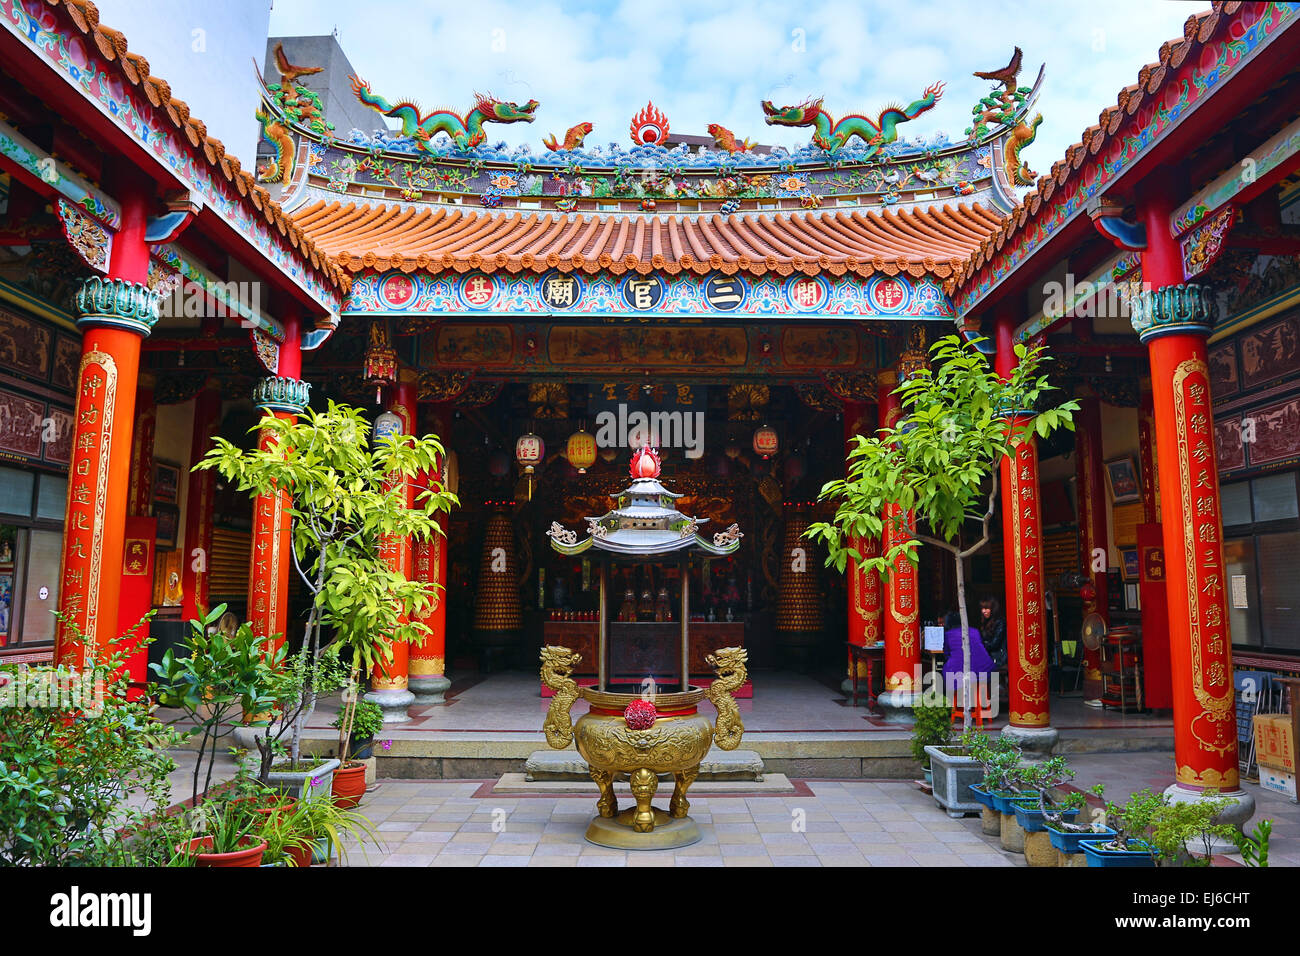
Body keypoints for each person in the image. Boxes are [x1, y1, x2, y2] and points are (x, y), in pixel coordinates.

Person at [979, 597, 1008, 671]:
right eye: (982, 608)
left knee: (994, 681)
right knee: (984, 680)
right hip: (988, 658)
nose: (984, 611)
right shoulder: (985, 622)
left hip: (998, 660)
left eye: (986, 608)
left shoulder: (1000, 622)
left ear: (993, 609)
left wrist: (979, 645)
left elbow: (995, 644)